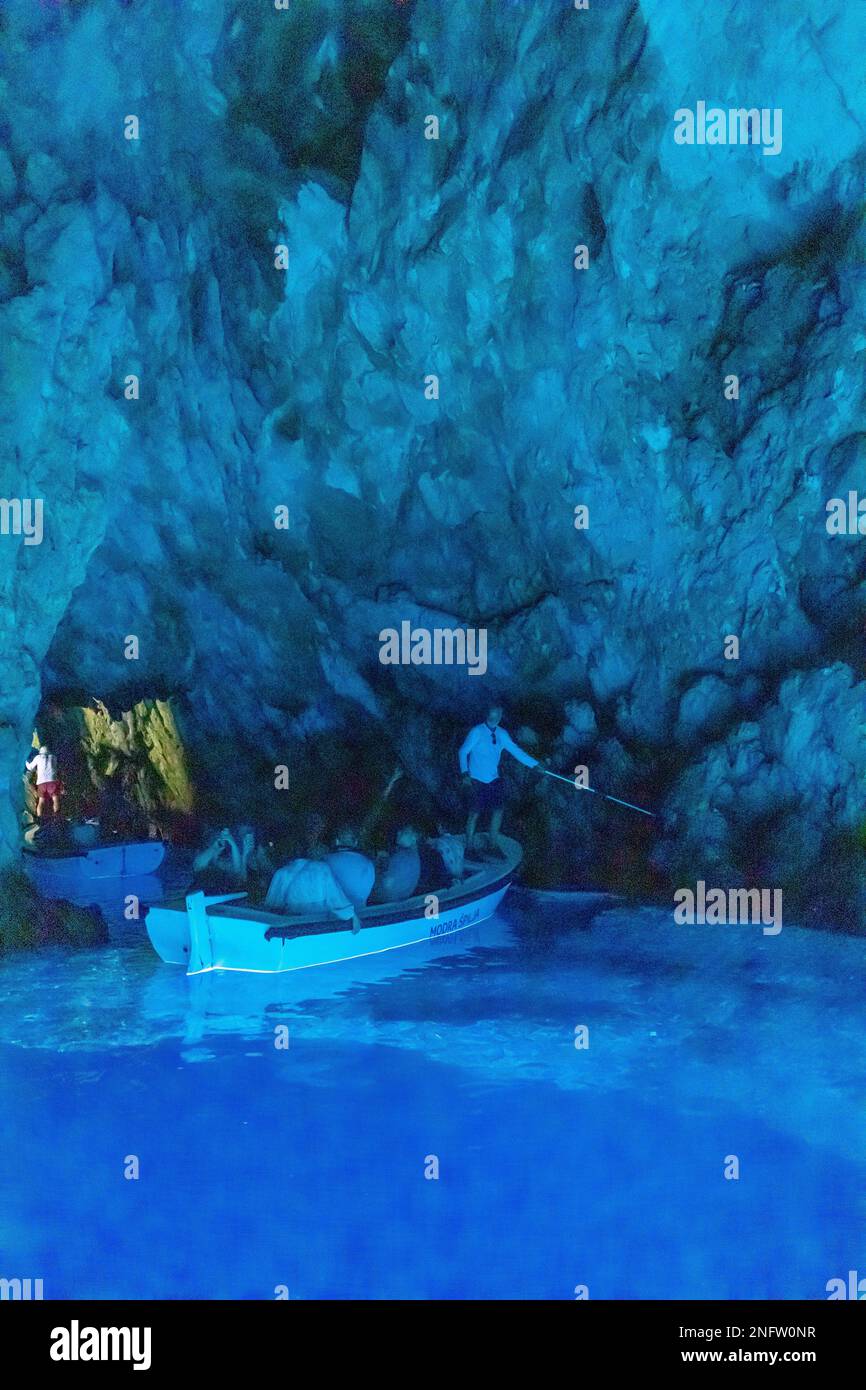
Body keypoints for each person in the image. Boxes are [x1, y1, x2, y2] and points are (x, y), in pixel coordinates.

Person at [458, 706, 540, 851]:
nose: (494, 718)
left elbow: (516, 751)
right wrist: (465, 774)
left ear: (501, 716)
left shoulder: (502, 734)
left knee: (498, 810)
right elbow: (463, 751)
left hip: (493, 779)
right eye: (492, 714)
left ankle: (493, 845)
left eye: (497, 715)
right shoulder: (477, 731)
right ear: (487, 714)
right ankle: (469, 848)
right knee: (474, 813)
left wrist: (535, 765)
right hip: (477, 779)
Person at [265, 858, 361, 933]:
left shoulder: (282, 874)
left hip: (292, 931)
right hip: (319, 929)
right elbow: (337, 901)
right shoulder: (322, 869)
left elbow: (271, 909)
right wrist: (352, 915)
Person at [325, 827, 375, 911]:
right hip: (361, 914)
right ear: (355, 842)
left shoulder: (326, 861)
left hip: (332, 916)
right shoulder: (368, 863)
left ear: (337, 841)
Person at [371, 826, 422, 904]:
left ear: (414, 838)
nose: (398, 833)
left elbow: (387, 885)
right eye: (399, 831)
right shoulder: (411, 855)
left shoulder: (404, 857)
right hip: (399, 901)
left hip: (386, 904)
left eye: (404, 832)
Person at [25, 745, 64, 819]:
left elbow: (30, 767)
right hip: (52, 781)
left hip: (41, 783)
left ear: (40, 752)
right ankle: (56, 816)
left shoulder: (38, 758)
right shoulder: (53, 757)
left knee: (41, 801)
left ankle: (40, 818)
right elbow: (56, 768)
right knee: (55, 799)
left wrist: (25, 760)